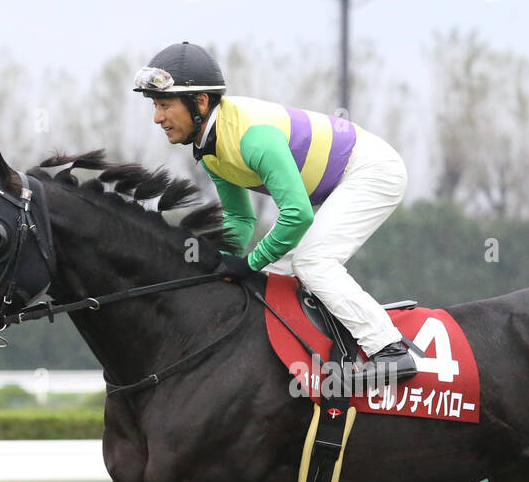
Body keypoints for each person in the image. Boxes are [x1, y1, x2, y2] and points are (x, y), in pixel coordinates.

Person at [133, 41, 417, 384]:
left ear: (201, 102)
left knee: (312, 262)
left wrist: (248, 262)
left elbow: (297, 214)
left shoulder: (252, 138)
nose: (157, 117)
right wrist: (221, 262)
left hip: (372, 170)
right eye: (155, 106)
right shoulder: (209, 148)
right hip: (339, 183)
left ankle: (389, 350)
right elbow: (241, 219)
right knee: (272, 275)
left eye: (164, 104)